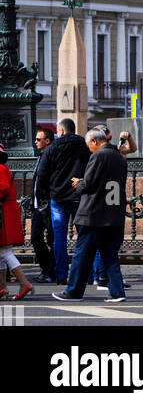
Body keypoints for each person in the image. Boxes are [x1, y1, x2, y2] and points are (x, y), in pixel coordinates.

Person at [52, 127, 128, 304]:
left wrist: (78, 183)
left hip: (94, 215)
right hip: (114, 214)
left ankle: (73, 292)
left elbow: (89, 185)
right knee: (110, 256)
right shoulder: (119, 157)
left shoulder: (99, 156)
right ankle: (117, 292)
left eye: (89, 145)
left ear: (94, 141)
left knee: (81, 256)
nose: (89, 149)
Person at [37, 116, 90, 286]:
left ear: (60, 131)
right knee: (84, 235)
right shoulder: (84, 144)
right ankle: (86, 274)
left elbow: (42, 173)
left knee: (59, 237)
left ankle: (61, 275)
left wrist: (45, 194)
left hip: (58, 197)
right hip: (79, 195)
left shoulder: (53, 147)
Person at [90, 126, 136, 290]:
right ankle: (101, 277)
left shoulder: (111, 151)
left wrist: (129, 137)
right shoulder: (97, 153)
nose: (108, 142)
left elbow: (131, 149)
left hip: (113, 199)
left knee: (109, 242)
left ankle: (107, 278)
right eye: (106, 139)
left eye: (109, 139)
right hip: (103, 201)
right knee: (103, 242)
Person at [0, 142, 34, 301]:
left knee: (5, 251)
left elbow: (2, 188)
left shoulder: (0, 169)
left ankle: (23, 282)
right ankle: (2, 287)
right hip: (6, 211)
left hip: (4, 213)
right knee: (1, 252)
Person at [31, 125, 56, 283]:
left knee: (51, 239)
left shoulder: (51, 157)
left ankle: (51, 271)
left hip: (47, 204)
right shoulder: (41, 156)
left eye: (38, 139)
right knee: (35, 237)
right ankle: (46, 268)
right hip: (37, 205)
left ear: (47, 141)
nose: (35, 142)